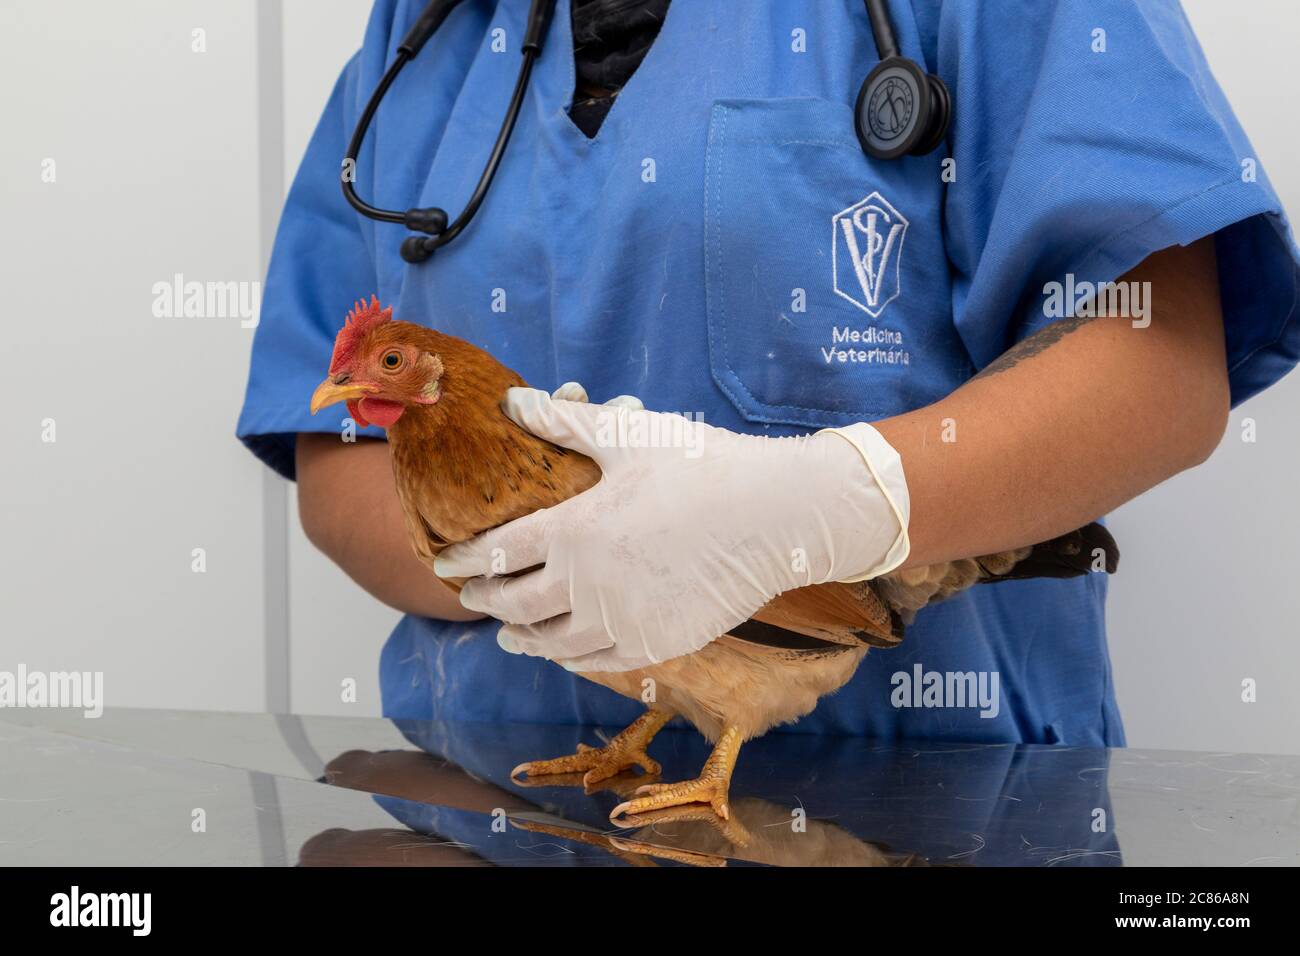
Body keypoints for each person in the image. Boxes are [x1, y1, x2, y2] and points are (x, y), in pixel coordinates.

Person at [237, 0, 1300, 746]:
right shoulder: (424, 26)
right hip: (490, 801)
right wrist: (550, 564)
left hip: (927, 799)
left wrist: (821, 509)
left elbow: (1158, 359)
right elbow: (335, 457)